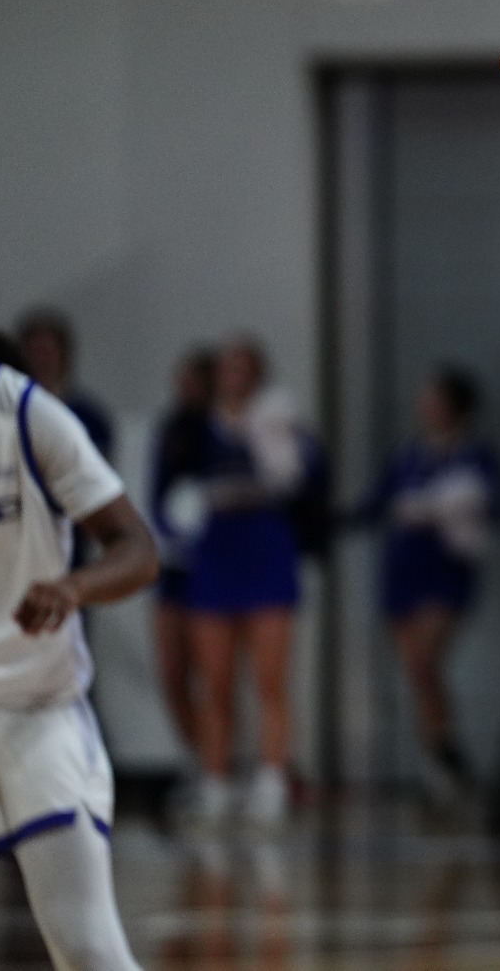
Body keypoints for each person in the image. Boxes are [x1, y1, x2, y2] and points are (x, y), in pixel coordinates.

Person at [0, 229, 160, 969]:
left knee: (85, 946)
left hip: (33, 708)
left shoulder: (30, 417)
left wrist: (75, 587)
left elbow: (139, 550)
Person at [181, 336, 308, 831]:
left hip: (264, 544)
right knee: (214, 680)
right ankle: (215, 778)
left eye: (243, 368)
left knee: (270, 678)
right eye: (227, 368)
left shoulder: (276, 420)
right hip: (216, 547)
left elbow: (298, 479)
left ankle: (272, 777)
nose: (234, 377)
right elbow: (174, 479)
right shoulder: (195, 422)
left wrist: (267, 438)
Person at [364, 366, 500, 801]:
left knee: (426, 660)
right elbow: (377, 502)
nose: (425, 407)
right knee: (417, 671)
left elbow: (498, 508)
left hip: (446, 572)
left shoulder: (475, 455)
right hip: (404, 570)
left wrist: (446, 509)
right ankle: (436, 762)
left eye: (434, 399)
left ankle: (446, 752)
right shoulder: (409, 454)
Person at [149, 347, 216, 778]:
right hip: (173, 563)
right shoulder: (170, 427)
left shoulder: (223, 428)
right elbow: (156, 493)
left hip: (211, 563)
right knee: (172, 672)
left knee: (213, 675)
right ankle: (197, 757)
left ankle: (218, 765)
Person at [16, 308, 114, 460]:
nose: (41, 361)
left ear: (63, 357)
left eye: (47, 352)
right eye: (35, 353)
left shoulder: (90, 420)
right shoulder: (7, 414)